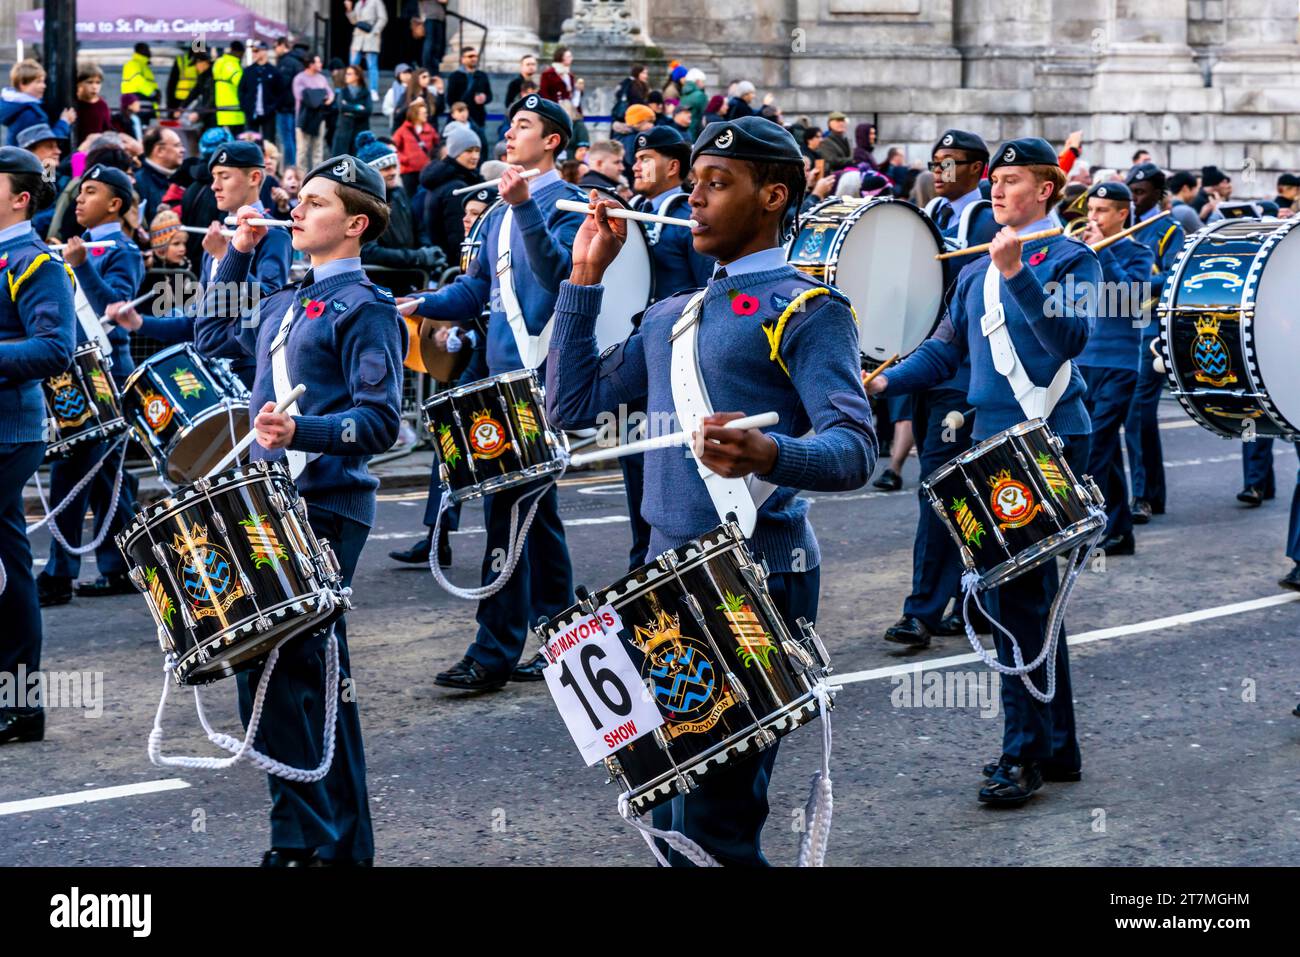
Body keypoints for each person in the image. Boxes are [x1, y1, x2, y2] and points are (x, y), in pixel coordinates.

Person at [548, 115, 876, 864]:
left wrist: (771, 452)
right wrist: (583, 278)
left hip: (756, 579)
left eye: (716, 184)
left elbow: (855, 447)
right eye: (692, 183)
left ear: (773, 195)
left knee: (719, 823)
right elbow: (569, 406)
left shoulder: (809, 309)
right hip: (662, 580)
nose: (693, 198)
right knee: (666, 807)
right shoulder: (670, 314)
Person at [867, 137, 1100, 806]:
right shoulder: (973, 273)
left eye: (1011, 180)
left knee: (1012, 600)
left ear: (1046, 191)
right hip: (994, 446)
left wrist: (1021, 274)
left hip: (1051, 441)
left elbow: (1072, 340)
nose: (996, 191)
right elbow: (943, 353)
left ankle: (1021, 753)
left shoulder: (1069, 258)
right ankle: (1056, 747)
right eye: (993, 181)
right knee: (1027, 602)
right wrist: (882, 383)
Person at [195, 154, 403, 867]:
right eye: (299, 199)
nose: (296, 210)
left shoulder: (367, 307)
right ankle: (336, 845)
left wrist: (303, 432)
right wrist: (235, 260)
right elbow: (211, 340)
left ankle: (301, 840)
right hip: (270, 504)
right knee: (297, 677)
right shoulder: (286, 302)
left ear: (353, 223)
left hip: (326, 504)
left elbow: (382, 423)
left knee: (279, 670)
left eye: (314, 203)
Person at [410, 94, 585, 692]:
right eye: (509, 125)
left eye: (524, 126)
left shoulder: (568, 204)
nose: (510, 134)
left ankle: (493, 652)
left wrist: (524, 210)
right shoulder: (492, 217)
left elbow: (560, 276)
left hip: (538, 382)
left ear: (553, 141)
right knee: (532, 518)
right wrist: (416, 304)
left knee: (509, 515)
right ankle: (568, 638)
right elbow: (473, 292)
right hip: (494, 383)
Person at [884, 129, 998, 649]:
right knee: (955, 491)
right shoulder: (930, 217)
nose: (940, 171)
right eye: (935, 162)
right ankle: (963, 601)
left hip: (964, 373)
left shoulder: (988, 221)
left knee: (942, 490)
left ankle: (923, 611)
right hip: (927, 363)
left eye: (951, 164)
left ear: (978, 170)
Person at [36, 163, 144, 606]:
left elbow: (114, 311)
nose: (78, 199)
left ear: (114, 204)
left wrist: (81, 267)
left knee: (72, 469)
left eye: (91, 192)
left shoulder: (122, 251)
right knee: (101, 476)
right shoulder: (70, 247)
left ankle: (60, 574)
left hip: (103, 375)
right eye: (79, 192)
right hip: (70, 374)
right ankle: (125, 566)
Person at [0, 147, 75, 745]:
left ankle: (20, 700)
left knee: (7, 567)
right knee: (8, 562)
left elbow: (56, 349)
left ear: (22, 196)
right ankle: (19, 702)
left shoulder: (34, 262)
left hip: (9, 430)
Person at [1075, 181, 1154, 556]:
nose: (1093, 218)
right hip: (1083, 361)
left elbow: (1133, 297)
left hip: (1120, 364)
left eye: (1102, 211)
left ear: (1123, 214)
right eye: (1090, 210)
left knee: (1095, 448)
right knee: (1100, 450)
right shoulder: (1080, 252)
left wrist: (1101, 254)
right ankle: (1121, 531)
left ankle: (1092, 531)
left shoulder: (1137, 251)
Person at [1124, 162, 1185, 525]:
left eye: (1141, 192)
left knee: (1138, 412)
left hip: (1149, 330)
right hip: (1121, 330)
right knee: (1135, 416)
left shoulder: (1167, 229)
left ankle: (1143, 495)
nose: (1135, 198)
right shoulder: (1122, 225)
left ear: (1158, 195)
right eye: (1131, 191)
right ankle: (1153, 493)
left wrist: (1140, 282)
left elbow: (1174, 274)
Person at [356, 132, 445, 289]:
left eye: (393, 167)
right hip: (379, 284)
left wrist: (428, 251)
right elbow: (369, 252)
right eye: (385, 169)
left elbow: (418, 228)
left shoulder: (400, 194)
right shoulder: (363, 206)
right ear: (372, 174)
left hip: (406, 280)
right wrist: (419, 257)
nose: (392, 172)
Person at [418, 125, 482, 264]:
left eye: (477, 150)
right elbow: (458, 235)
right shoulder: (456, 188)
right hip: (453, 264)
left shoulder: (447, 180)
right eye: (469, 151)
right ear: (455, 153)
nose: (475, 156)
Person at [2, 60, 74, 148]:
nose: (44, 86)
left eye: (43, 81)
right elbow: (45, 144)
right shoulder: (30, 114)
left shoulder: (16, 106)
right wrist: (64, 122)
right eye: (38, 82)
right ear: (22, 84)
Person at [293, 55, 335, 170]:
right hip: (304, 119)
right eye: (318, 62)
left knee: (318, 149)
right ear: (311, 64)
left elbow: (330, 94)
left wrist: (320, 96)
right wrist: (321, 95)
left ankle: (317, 176)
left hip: (319, 118)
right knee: (302, 150)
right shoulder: (299, 78)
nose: (321, 64)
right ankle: (301, 178)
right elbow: (302, 96)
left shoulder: (321, 78)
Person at [239, 41, 284, 145]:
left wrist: (272, 108)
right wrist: (245, 107)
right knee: (250, 144)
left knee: (269, 143)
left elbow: (280, 93)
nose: (253, 53)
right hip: (251, 114)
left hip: (268, 115)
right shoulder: (248, 71)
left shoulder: (274, 72)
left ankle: (268, 161)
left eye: (256, 50)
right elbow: (241, 90)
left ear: (264, 51)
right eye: (252, 51)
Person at [136, 126, 184, 221]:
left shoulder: (182, 178)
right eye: (177, 145)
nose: (183, 150)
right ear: (160, 151)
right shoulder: (138, 184)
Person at [393, 100, 438, 197]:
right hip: (409, 172)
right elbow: (393, 148)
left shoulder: (430, 129)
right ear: (415, 114)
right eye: (423, 113)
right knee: (410, 198)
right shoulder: (402, 130)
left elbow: (437, 147)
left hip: (426, 170)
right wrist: (405, 159)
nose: (426, 115)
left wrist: (433, 160)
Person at [345, 0, 387, 101]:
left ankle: (373, 90)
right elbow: (354, 21)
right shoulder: (359, 3)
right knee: (353, 65)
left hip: (370, 37)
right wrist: (349, 9)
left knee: (372, 65)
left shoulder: (376, 2)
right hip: (358, 37)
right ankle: (351, 88)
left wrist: (374, 31)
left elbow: (383, 18)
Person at [274, 37, 306, 166]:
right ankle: (293, 168)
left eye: (275, 46)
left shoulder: (286, 62)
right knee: (292, 139)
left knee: (287, 140)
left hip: (286, 107)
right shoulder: (297, 61)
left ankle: (289, 168)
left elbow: (281, 85)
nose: (275, 50)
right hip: (294, 106)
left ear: (282, 45)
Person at [444, 47, 492, 133]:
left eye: (476, 56)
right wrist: (459, 111)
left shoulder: (482, 75)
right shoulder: (455, 76)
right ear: (462, 59)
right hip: (459, 120)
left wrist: (484, 98)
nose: (474, 58)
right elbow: (450, 99)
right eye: (470, 56)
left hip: (478, 118)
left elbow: (489, 96)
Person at [332, 64, 372, 157]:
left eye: (349, 74)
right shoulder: (343, 91)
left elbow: (368, 111)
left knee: (358, 161)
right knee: (341, 163)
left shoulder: (366, 92)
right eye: (346, 74)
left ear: (357, 76)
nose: (346, 76)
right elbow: (341, 108)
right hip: (343, 131)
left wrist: (349, 108)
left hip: (360, 131)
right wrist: (358, 107)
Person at [73, 64, 113, 144]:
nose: (94, 87)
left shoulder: (102, 105)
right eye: (90, 82)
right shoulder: (74, 104)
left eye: (98, 83)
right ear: (79, 84)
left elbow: (107, 130)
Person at [212, 42, 247, 134]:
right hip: (235, 114)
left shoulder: (219, 62)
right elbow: (243, 85)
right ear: (239, 52)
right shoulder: (233, 65)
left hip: (221, 113)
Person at [120, 43, 161, 120]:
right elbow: (138, 80)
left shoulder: (144, 67)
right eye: (146, 49)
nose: (149, 52)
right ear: (138, 51)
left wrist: (157, 93)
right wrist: (153, 93)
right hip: (138, 103)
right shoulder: (132, 64)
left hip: (146, 103)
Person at [408, 0, 449, 76]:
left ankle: (435, 70)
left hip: (439, 17)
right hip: (428, 17)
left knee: (437, 46)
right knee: (429, 44)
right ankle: (427, 69)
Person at [180, 52, 217, 131]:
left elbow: (213, 99)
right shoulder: (202, 76)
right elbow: (194, 93)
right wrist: (182, 107)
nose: (196, 67)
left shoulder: (214, 75)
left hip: (214, 116)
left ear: (204, 62)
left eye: (197, 64)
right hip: (206, 114)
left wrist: (199, 114)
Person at [166, 46, 200, 113]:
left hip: (193, 99)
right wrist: (170, 104)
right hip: (181, 100)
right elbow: (172, 83)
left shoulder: (201, 61)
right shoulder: (181, 60)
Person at [382, 63, 413, 128]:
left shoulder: (415, 89)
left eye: (409, 72)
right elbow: (385, 109)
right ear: (398, 75)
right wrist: (396, 111)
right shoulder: (392, 91)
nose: (407, 75)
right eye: (404, 73)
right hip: (398, 124)